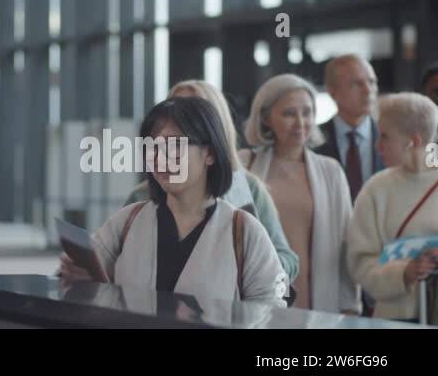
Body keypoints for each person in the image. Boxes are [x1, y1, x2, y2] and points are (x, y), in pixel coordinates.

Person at [61, 97, 287, 305]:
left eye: (175, 145)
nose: (161, 159)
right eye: (153, 148)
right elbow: (91, 282)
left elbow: (270, 312)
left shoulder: (244, 230)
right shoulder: (128, 221)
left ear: (210, 153)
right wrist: (78, 274)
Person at [124, 80, 300, 286]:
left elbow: (288, 262)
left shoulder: (247, 190)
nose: (185, 118)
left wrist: (250, 264)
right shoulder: (140, 198)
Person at [239, 74, 360, 314]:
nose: (300, 122)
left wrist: (350, 305)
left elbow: (347, 244)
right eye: (288, 113)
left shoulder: (331, 171)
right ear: (266, 117)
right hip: (259, 297)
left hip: (317, 298)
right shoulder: (245, 165)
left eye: (307, 112)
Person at [347, 93, 438, 323]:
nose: (377, 146)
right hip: (393, 320)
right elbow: (359, 264)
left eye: (385, 137)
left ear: (414, 142)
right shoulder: (375, 190)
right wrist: (403, 274)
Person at [316, 54, 384, 202]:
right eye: (357, 84)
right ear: (332, 92)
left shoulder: (391, 136)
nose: (368, 91)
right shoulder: (313, 139)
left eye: (372, 82)